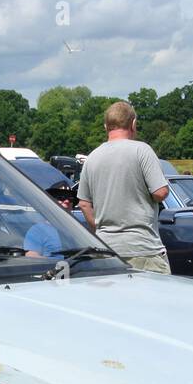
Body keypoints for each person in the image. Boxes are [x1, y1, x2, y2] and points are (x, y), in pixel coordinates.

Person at [76, 101, 171, 273]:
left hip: (106, 250)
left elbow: (84, 203)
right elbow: (160, 192)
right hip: (143, 249)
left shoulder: (92, 157)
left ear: (106, 127)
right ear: (133, 124)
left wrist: (101, 228)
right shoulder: (142, 151)